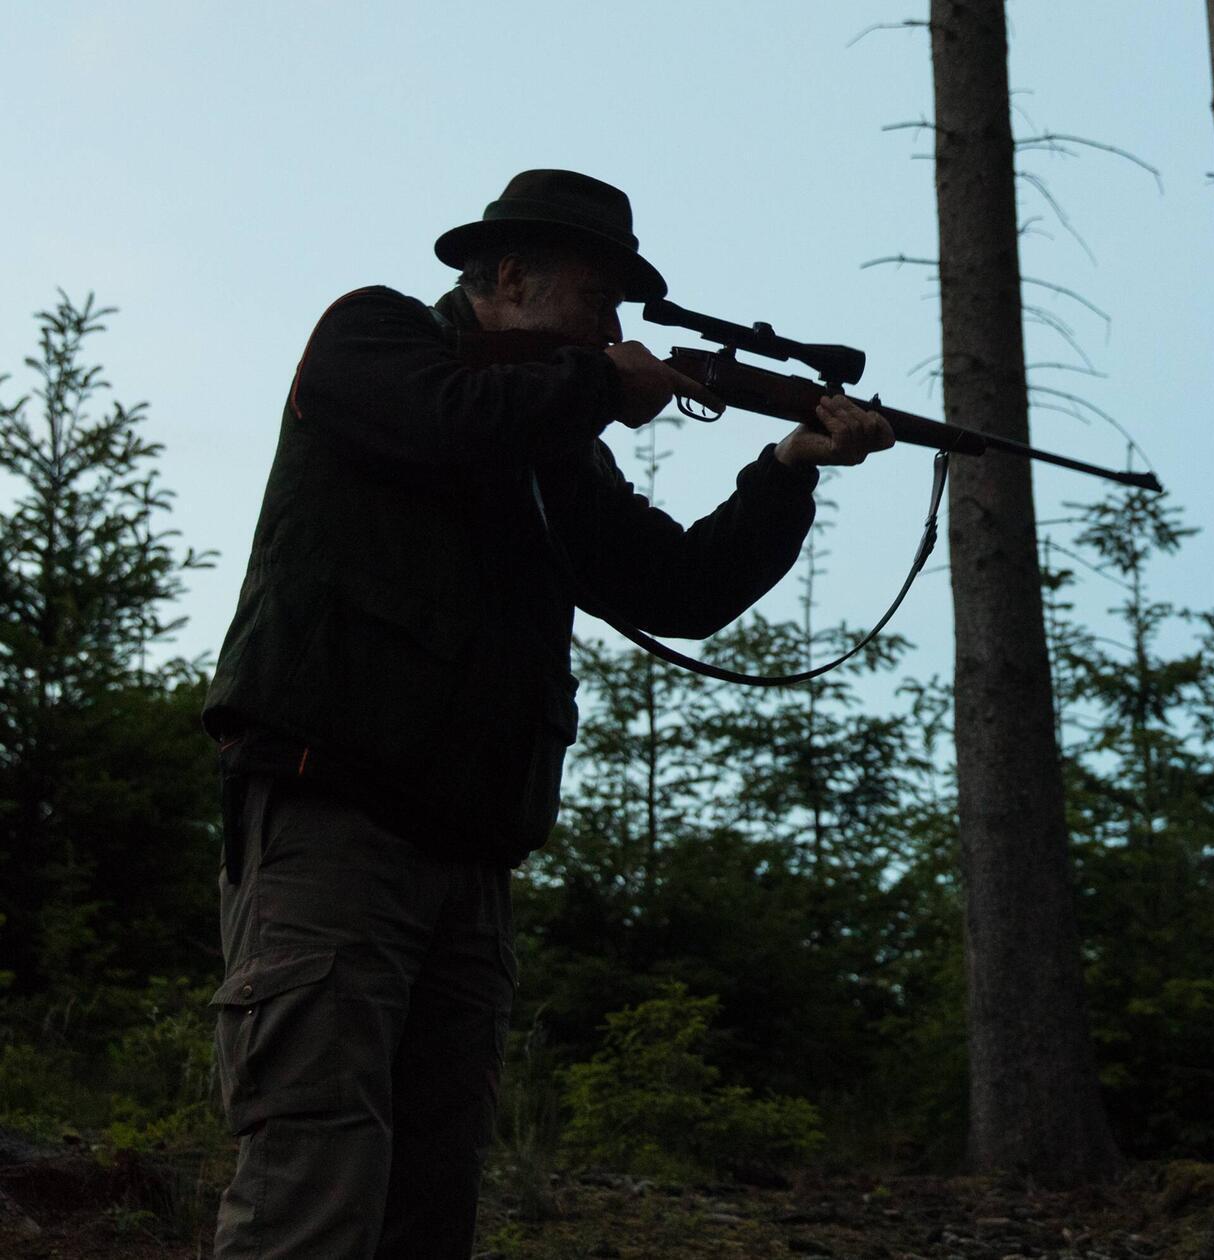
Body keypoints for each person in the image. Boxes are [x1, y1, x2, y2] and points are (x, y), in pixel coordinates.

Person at [199, 169, 893, 1258]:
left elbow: (678, 589)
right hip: (326, 806)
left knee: (431, 1190)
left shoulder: (551, 444)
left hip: (469, 848)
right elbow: (445, 419)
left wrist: (788, 464)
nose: (614, 330)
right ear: (510, 275)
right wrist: (597, 389)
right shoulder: (372, 336)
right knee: (313, 1161)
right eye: (597, 300)